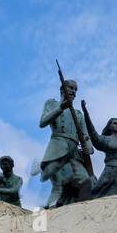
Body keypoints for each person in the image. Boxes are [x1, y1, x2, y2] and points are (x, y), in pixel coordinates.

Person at [39, 78, 94, 206]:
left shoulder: (78, 114)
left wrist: (89, 148)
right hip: (57, 148)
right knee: (54, 179)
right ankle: (48, 208)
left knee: (85, 180)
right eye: (70, 87)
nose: (73, 91)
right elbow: (42, 122)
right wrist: (60, 108)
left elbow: (85, 136)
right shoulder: (51, 104)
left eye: (75, 89)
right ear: (62, 89)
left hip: (74, 153)